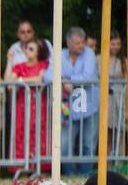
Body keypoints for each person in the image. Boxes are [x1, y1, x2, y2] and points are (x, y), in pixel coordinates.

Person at [60, 26, 100, 175]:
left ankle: (85, 176)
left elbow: (88, 76)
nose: (81, 45)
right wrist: (64, 82)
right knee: (64, 144)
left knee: (88, 142)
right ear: (68, 42)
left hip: (89, 105)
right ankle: (70, 175)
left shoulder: (89, 53)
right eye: (77, 43)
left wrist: (67, 80)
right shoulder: (60, 54)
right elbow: (48, 75)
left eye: (83, 42)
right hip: (67, 107)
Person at [7, 38, 50, 168]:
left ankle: (39, 167)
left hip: (38, 106)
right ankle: (21, 166)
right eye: (27, 48)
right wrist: (10, 60)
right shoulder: (19, 66)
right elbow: (9, 83)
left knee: (38, 134)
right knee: (21, 134)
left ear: (38, 52)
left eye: (31, 49)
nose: (27, 51)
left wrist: (20, 80)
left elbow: (39, 80)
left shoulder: (44, 65)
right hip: (22, 106)